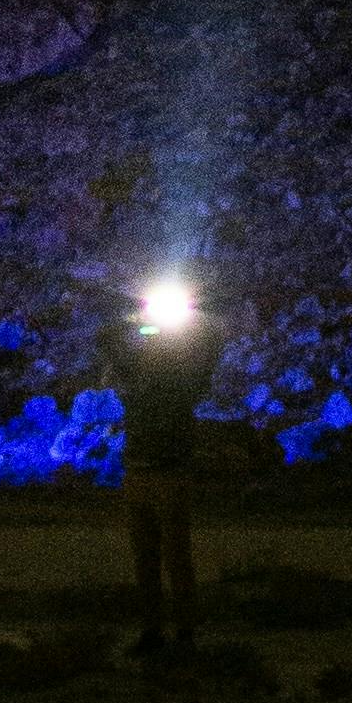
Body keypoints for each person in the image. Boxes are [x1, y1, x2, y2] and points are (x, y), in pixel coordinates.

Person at [117, 274, 221, 653]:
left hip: (167, 471)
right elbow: (109, 339)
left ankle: (182, 633)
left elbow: (211, 345)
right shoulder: (134, 377)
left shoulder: (183, 380)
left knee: (174, 556)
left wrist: (185, 325)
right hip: (142, 470)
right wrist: (142, 322)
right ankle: (157, 631)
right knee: (148, 559)